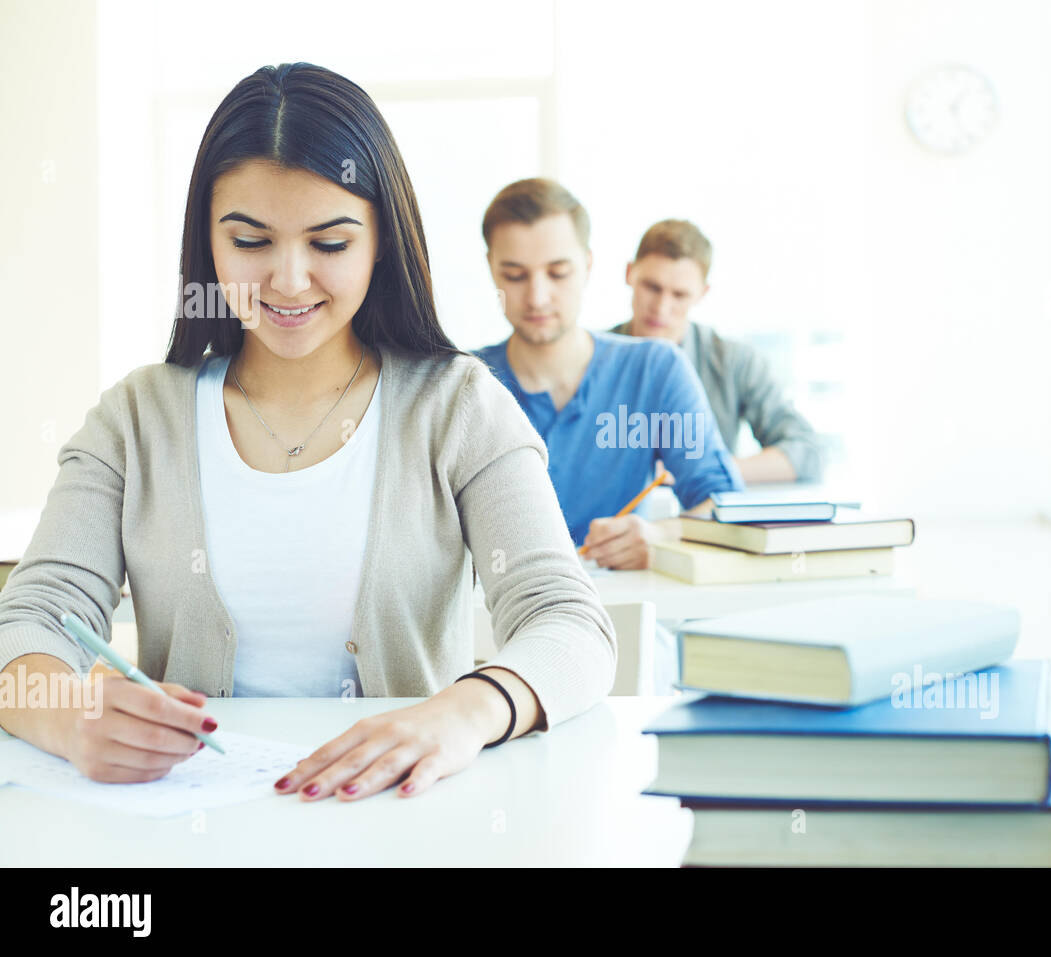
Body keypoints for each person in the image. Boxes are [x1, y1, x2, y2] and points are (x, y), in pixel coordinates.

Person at [0, 63, 615, 802]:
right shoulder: (136, 418)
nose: (288, 280)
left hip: (401, 821)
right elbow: (29, 623)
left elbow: (570, 622)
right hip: (192, 830)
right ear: (208, 241)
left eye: (329, 243)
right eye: (251, 240)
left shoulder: (458, 407)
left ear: (383, 241)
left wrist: (468, 710)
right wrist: (73, 717)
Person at [473, 179, 743, 571]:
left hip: (620, 616)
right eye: (515, 275)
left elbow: (726, 507)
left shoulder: (654, 370)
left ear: (588, 266)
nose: (537, 297)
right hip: (495, 621)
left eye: (559, 272)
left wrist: (659, 536)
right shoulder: (463, 386)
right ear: (492, 270)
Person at [611, 219, 824, 483]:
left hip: (702, 520)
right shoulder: (589, 358)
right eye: (652, 287)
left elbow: (807, 453)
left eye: (679, 295)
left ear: (702, 293)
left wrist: (705, 470)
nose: (661, 307)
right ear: (629, 273)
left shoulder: (735, 362)